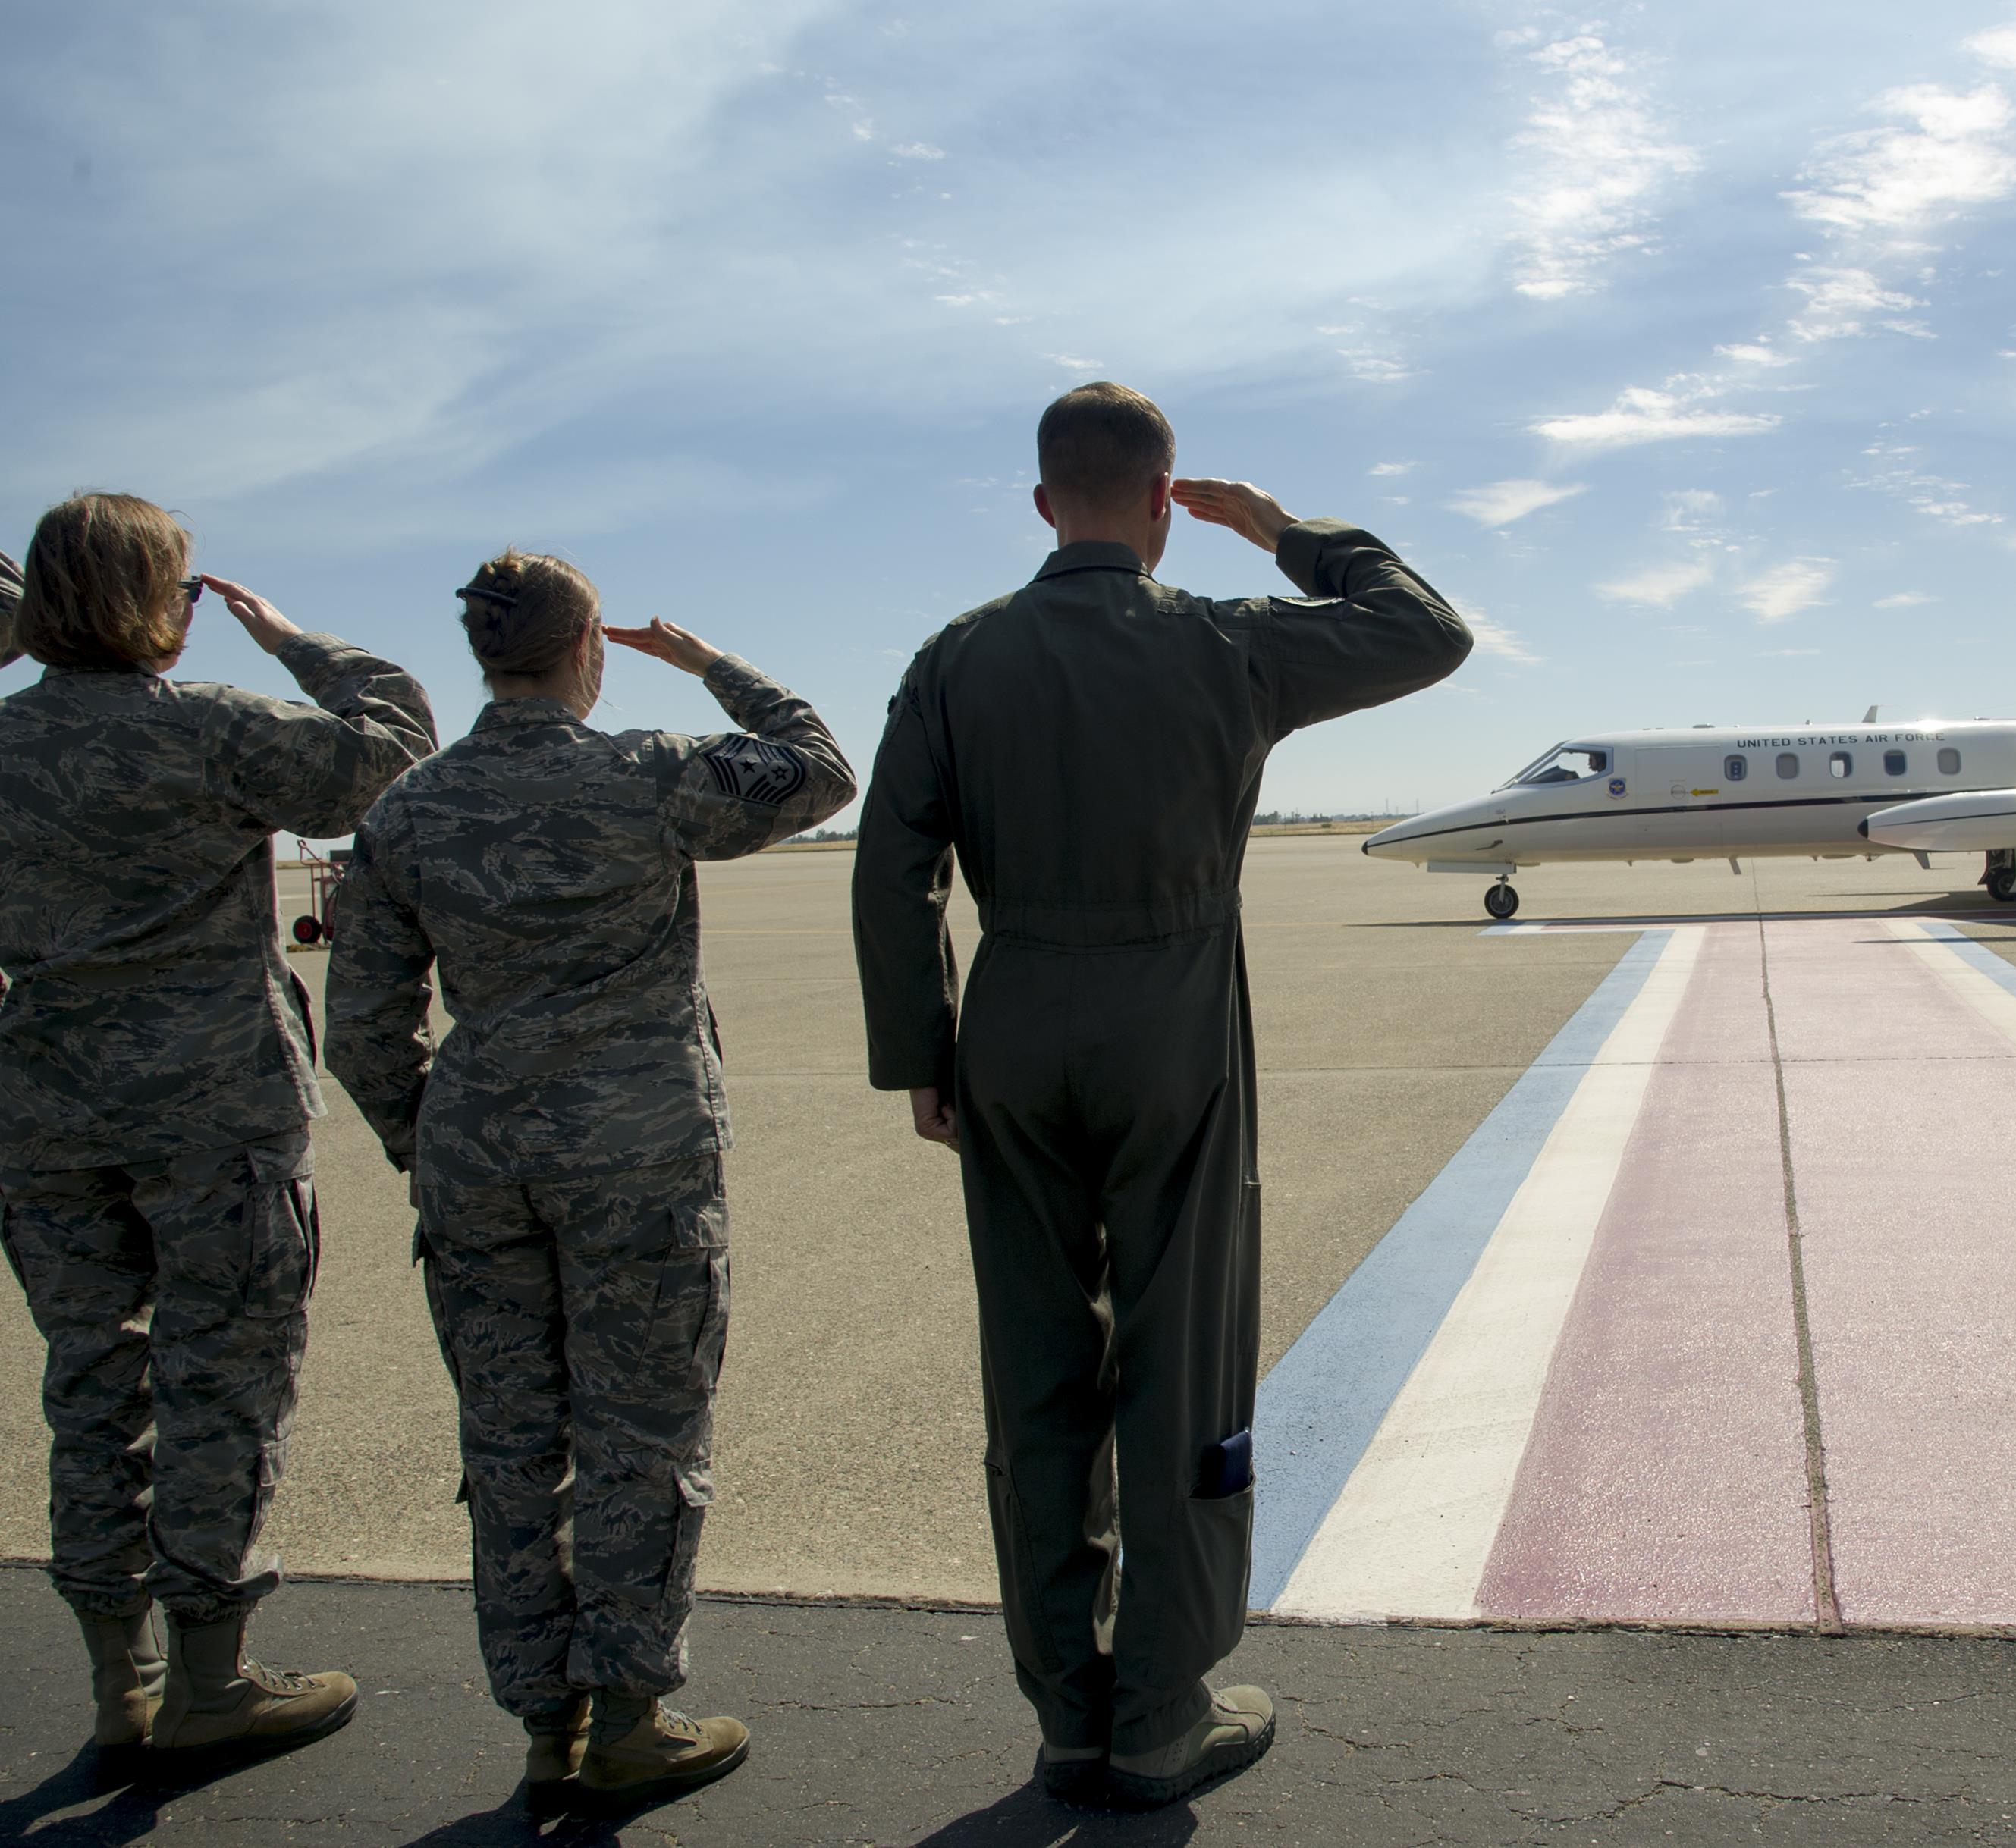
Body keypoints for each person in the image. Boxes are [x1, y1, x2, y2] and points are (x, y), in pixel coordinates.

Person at [851, 383, 1472, 1809]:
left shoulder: (958, 657)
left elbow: (892, 866)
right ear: (1162, 498)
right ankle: (1161, 1712)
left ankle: (1070, 1710)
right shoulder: (1223, 640)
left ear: (1039, 501)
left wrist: (922, 1057)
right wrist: (1287, 534)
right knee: (1177, 1361)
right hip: (1173, 1019)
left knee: (1036, 1372)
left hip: (1010, 1023)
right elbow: (1428, 632)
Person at [322, 548, 854, 1810]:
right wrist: (715, 662)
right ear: (588, 651)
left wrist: (429, 1141)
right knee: (643, 1430)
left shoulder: (407, 809)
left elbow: (360, 1031)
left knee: (510, 1439)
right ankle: (628, 1710)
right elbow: (820, 769)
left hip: (479, 1166)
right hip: (639, 1161)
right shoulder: (645, 771)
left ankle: (541, 1719)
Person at [0, 492, 435, 1762]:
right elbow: (391, 746)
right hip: (215, 1111)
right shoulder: (208, 731)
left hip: (44, 1113)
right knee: (222, 1385)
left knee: (90, 1378)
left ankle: (115, 1681)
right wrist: (294, 640)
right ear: (159, 603)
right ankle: (210, 1675)